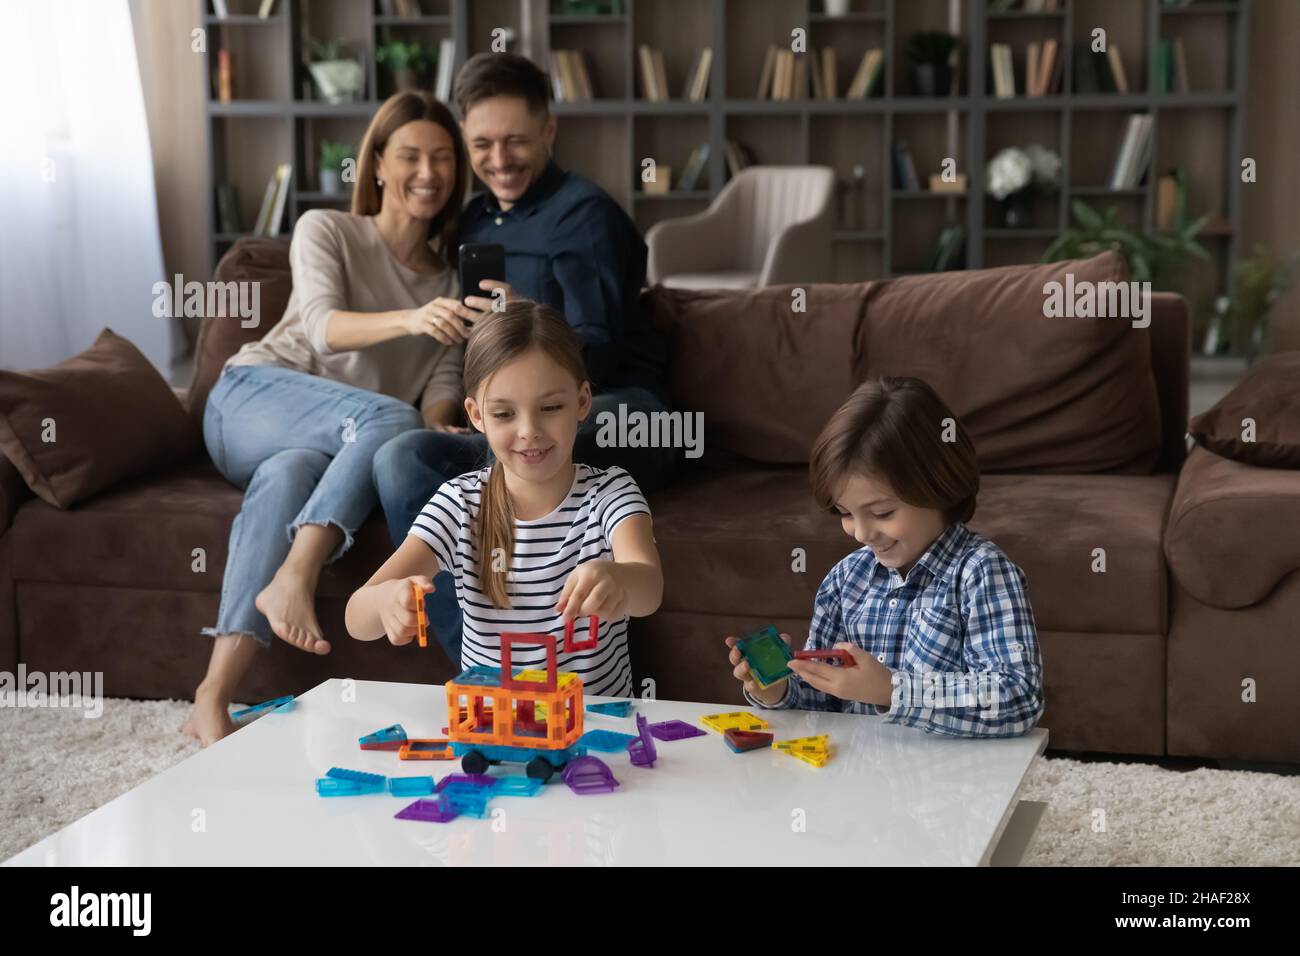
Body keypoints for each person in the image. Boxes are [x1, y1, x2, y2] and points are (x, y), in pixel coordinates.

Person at [183, 92, 482, 746]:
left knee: (291, 477)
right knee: (390, 419)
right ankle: (297, 572)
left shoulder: (449, 284)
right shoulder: (329, 229)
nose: (427, 172)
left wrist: (441, 421)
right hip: (252, 399)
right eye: (410, 155)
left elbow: (440, 381)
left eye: (442, 158)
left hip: (323, 448)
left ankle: (212, 696)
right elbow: (321, 328)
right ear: (376, 164)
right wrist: (412, 319)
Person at [372, 52, 676, 664]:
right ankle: (485, 663)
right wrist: (455, 410)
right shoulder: (474, 218)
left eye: (515, 141)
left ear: (548, 130)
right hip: (516, 413)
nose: (499, 159)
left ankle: (562, 655)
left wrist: (527, 317)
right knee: (401, 456)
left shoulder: (587, 216)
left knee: (534, 433)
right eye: (482, 145)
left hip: (613, 405)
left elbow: (600, 349)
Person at [347, 299, 663, 698]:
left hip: (598, 725)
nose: (529, 430)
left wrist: (618, 578)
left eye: (551, 407)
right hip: (492, 726)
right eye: (503, 414)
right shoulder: (458, 504)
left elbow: (649, 591)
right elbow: (356, 616)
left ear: (582, 402)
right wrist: (386, 602)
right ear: (476, 415)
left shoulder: (611, 493)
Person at [726, 377, 1045, 737]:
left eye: (882, 513)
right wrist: (779, 689)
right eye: (845, 513)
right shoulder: (846, 578)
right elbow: (824, 702)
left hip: (947, 771)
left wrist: (891, 691)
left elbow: (1018, 698)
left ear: (939, 486)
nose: (861, 534)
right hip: (859, 770)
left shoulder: (982, 573)